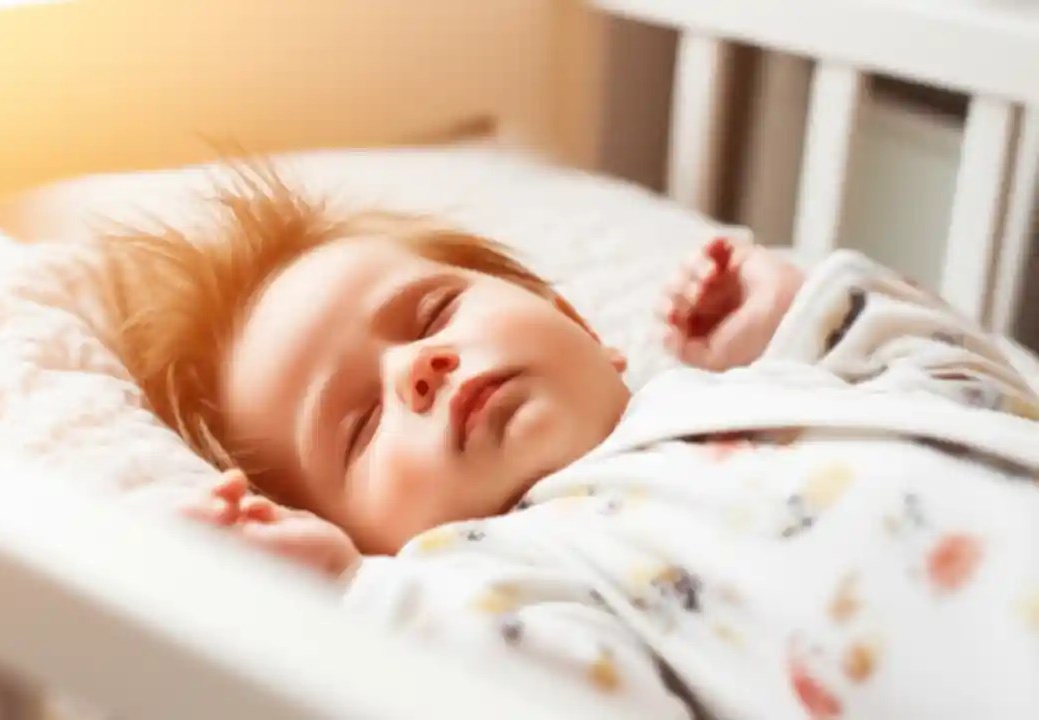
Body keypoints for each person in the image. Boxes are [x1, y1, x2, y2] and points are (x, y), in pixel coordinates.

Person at [104, 168, 1039, 718]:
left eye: (432, 312)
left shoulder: (765, 389)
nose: (420, 369)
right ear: (364, 529)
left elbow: (981, 399)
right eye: (361, 424)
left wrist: (810, 316)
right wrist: (354, 597)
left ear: (577, 320)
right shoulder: (493, 572)